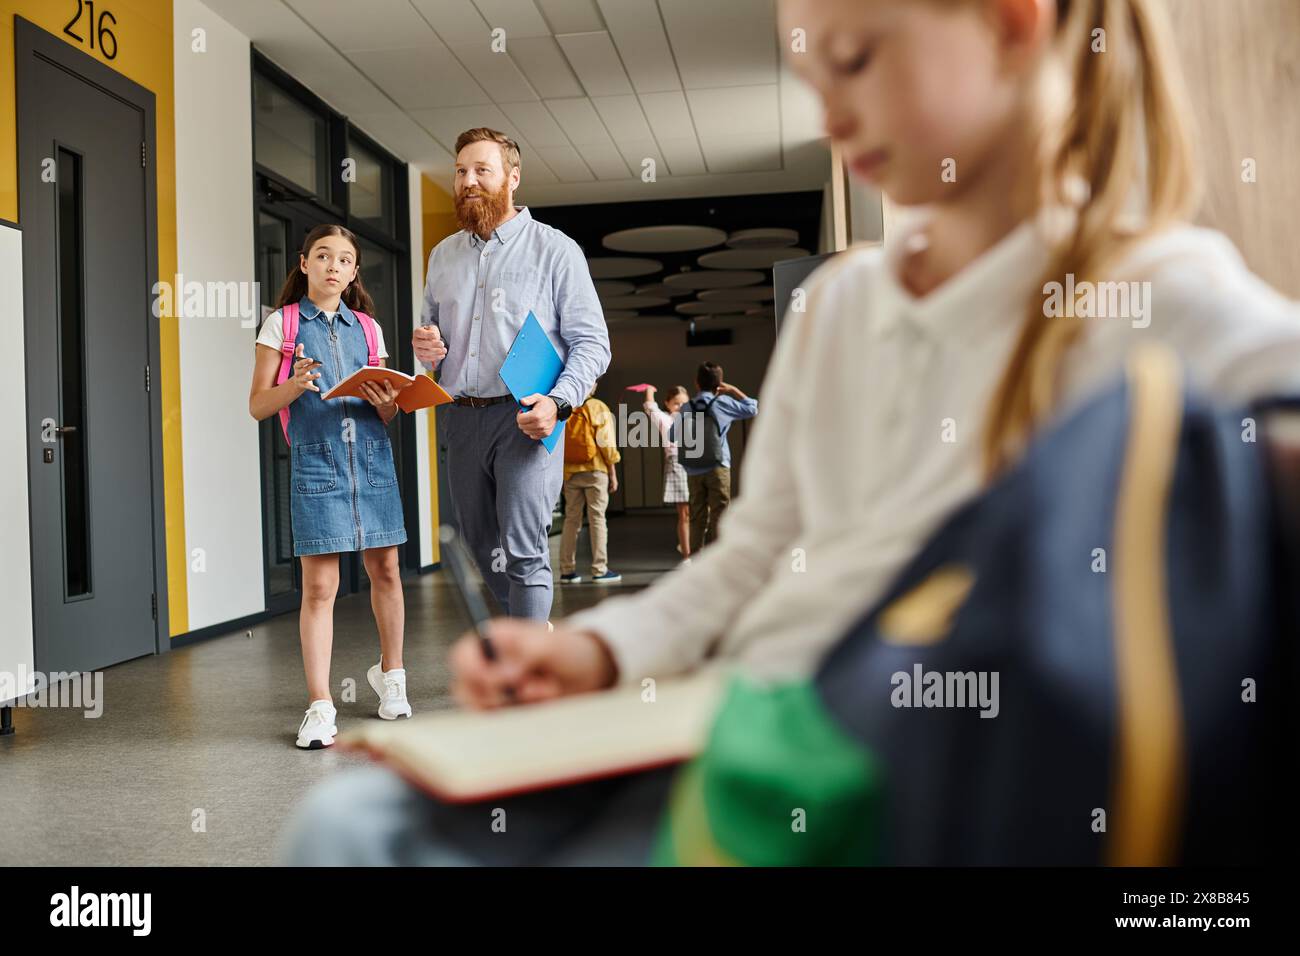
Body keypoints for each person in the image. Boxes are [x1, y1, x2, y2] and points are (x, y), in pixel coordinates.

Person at [283, 0, 1300, 861]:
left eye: (854, 59)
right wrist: (599, 649)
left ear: (1011, 24)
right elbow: (757, 554)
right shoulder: (843, 304)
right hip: (745, 719)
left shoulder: (1164, 296)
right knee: (350, 817)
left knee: (358, 832)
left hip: (893, 765)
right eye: (811, 73)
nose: (830, 108)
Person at [411, 128, 610, 622]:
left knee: (523, 550)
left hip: (527, 416)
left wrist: (558, 404)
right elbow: (430, 343)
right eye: (460, 172)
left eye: (482, 170)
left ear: (512, 178)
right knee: (481, 544)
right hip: (460, 418)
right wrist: (426, 347)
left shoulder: (554, 250)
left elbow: (593, 343)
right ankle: (531, 635)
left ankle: (527, 669)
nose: (468, 181)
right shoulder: (442, 256)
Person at [249, 225, 413, 749]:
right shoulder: (283, 325)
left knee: (385, 569)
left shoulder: (368, 328)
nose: (333, 266)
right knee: (320, 588)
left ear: (353, 271)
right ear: (304, 263)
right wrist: (293, 386)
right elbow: (257, 406)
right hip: (317, 466)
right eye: (323, 256)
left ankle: (392, 679)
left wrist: (390, 399)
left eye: (344, 259)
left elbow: (384, 413)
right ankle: (320, 706)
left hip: (371, 461)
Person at [680, 362, 758, 552]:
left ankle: (696, 559)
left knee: (697, 517)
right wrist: (733, 390)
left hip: (693, 468)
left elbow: (672, 435)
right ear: (719, 384)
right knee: (720, 514)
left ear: (696, 383)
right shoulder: (722, 402)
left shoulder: (686, 407)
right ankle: (716, 560)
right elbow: (753, 408)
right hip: (718, 466)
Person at [559, 383, 622, 584]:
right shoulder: (597, 407)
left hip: (569, 472)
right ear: (593, 385)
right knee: (597, 519)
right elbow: (606, 443)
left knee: (571, 520)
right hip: (595, 470)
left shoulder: (566, 406)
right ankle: (599, 569)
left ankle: (567, 571)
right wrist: (612, 472)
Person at [642, 384, 692, 563]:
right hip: (677, 464)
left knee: (698, 512)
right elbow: (650, 408)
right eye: (676, 404)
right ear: (668, 404)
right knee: (684, 513)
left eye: (684, 404)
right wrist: (649, 391)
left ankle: (686, 544)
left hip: (695, 465)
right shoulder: (666, 420)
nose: (680, 407)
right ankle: (687, 556)